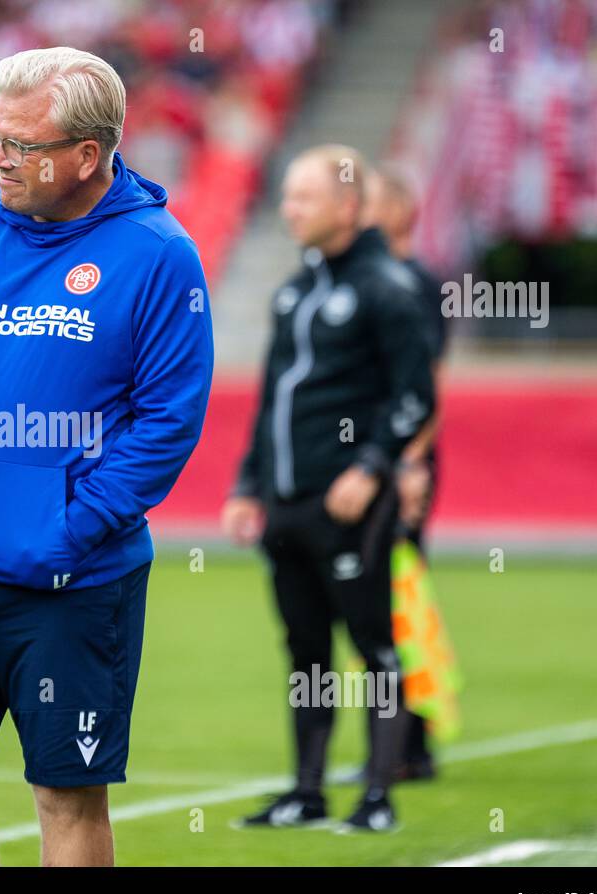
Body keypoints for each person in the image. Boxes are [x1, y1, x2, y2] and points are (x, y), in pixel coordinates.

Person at [0, 47, 214, 866]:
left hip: (74, 577)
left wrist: (73, 526)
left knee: (65, 796)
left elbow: (168, 421)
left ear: (86, 156)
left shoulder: (161, 255)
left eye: (20, 145)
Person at [222, 145, 435, 832]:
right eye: (287, 197)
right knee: (304, 647)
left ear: (347, 206)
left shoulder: (385, 286)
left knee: (373, 644)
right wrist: (250, 482)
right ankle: (306, 791)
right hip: (288, 501)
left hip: (349, 502)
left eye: (303, 198)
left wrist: (370, 468)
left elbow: (415, 396)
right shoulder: (296, 288)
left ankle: (378, 796)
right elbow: (272, 398)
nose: (289, 210)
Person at [362, 164, 450, 781]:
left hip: (398, 466)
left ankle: (404, 749)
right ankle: (402, 747)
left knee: (393, 607)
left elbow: (427, 386)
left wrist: (410, 461)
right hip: (375, 460)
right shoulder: (375, 279)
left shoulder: (411, 282)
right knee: (379, 607)